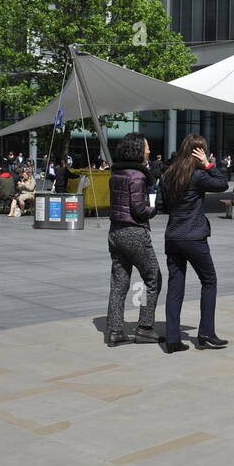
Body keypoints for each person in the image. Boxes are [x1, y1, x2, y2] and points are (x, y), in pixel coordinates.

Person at [157, 135, 229, 352]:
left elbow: (161, 204)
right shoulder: (197, 175)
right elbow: (222, 183)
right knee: (209, 281)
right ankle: (206, 333)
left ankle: (172, 339)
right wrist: (208, 164)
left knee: (175, 285)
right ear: (199, 152)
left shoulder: (167, 175)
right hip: (193, 237)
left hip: (173, 237)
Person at [105, 133, 162, 346]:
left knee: (119, 283)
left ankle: (114, 330)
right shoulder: (137, 177)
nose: (149, 151)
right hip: (134, 232)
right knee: (153, 277)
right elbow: (138, 209)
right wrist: (155, 209)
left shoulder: (117, 174)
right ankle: (145, 328)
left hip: (115, 232)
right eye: (146, 147)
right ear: (137, 150)